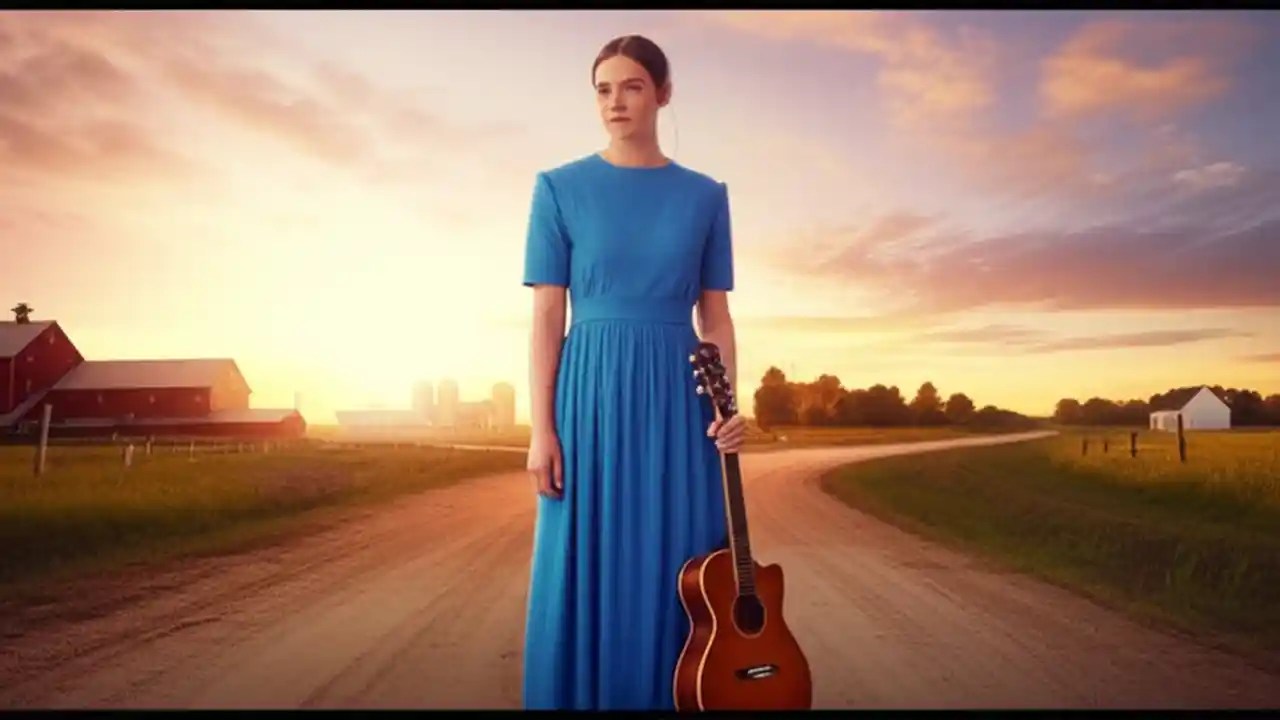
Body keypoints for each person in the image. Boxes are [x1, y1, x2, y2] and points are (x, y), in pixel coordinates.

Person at [520, 34, 748, 710]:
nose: (615, 101)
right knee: (583, 568)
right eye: (603, 88)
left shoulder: (706, 196)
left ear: (663, 93)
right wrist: (542, 429)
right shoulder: (558, 188)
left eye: (632, 86)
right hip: (587, 402)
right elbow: (545, 317)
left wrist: (727, 410)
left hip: (681, 407)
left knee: (678, 569)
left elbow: (718, 319)